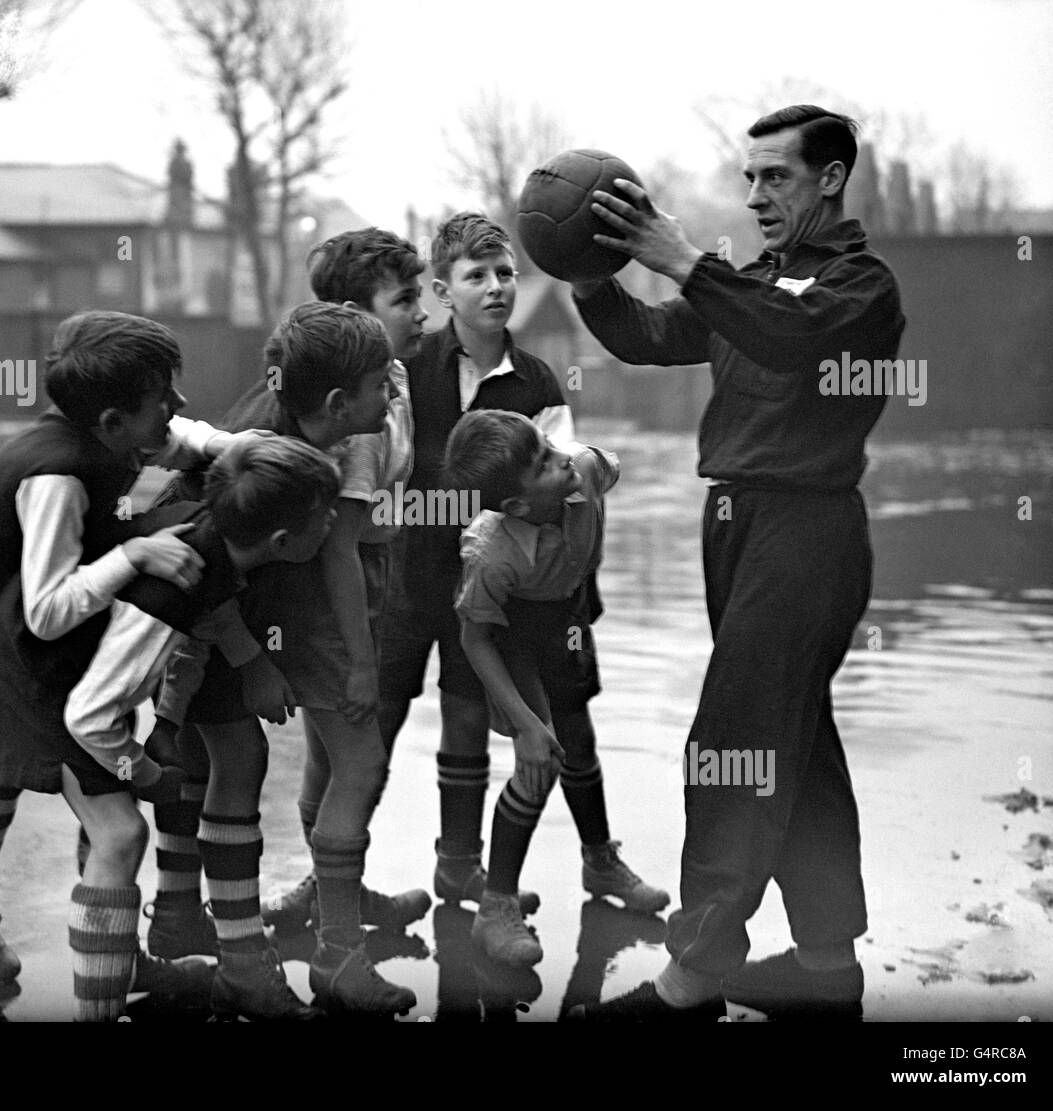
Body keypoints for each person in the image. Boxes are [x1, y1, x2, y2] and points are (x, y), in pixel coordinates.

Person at [565, 105, 905, 1020]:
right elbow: (649, 336)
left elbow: (788, 334)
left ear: (829, 179)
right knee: (796, 743)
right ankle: (826, 962)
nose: (755, 194)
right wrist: (587, 267)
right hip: (736, 527)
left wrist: (686, 258)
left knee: (734, 742)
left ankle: (694, 976)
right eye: (748, 177)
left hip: (807, 533)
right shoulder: (752, 283)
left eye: (777, 177)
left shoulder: (860, 288)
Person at [0, 309, 232, 1021]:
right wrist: (133, 555)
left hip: (26, 619)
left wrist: (236, 448)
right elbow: (49, 609)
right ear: (113, 421)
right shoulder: (56, 476)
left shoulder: (110, 432)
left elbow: (179, 438)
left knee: (55, 772)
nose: (177, 407)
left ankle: (95, 947)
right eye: (163, 397)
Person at [155, 302, 419, 1018]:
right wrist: (264, 660)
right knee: (342, 763)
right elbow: (207, 570)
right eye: (379, 387)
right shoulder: (267, 460)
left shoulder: (298, 422)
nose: (392, 394)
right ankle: (327, 951)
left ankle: (223, 936)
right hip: (206, 627)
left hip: (253, 619)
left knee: (232, 765)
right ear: (337, 404)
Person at [62, 435, 341, 1022]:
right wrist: (141, 773)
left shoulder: (210, 543)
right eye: (326, 518)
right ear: (283, 543)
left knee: (122, 810)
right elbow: (88, 715)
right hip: (50, 685)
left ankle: (142, 956)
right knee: (114, 824)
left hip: (83, 676)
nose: (336, 523)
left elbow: (209, 612)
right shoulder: (168, 591)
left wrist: (251, 662)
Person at [378, 212, 571, 914]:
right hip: (405, 576)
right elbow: (382, 459)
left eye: (505, 274)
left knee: (465, 716)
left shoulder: (538, 379)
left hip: (483, 588)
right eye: (476, 276)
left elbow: (561, 479)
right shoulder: (408, 365)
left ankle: (459, 863)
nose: (495, 288)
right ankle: (340, 870)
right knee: (374, 719)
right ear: (441, 289)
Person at [253, 226, 433, 934]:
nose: (422, 313)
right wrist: (361, 658)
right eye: (406, 300)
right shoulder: (356, 420)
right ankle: (337, 933)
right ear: (359, 316)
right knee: (350, 754)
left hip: (371, 577)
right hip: (338, 589)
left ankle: (339, 894)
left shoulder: (392, 379)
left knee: (337, 753)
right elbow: (339, 547)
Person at [443, 411, 670, 968]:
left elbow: (592, 463)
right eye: (544, 463)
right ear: (516, 506)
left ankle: (599, 860)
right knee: (539, 760)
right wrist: (523, 722)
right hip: (511, 637)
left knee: (580, 740)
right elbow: (476, 640)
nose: (560, 460)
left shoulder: (587, 468)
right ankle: (495, 906)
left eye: (549, 447)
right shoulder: (490, 553)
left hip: (565, 618)